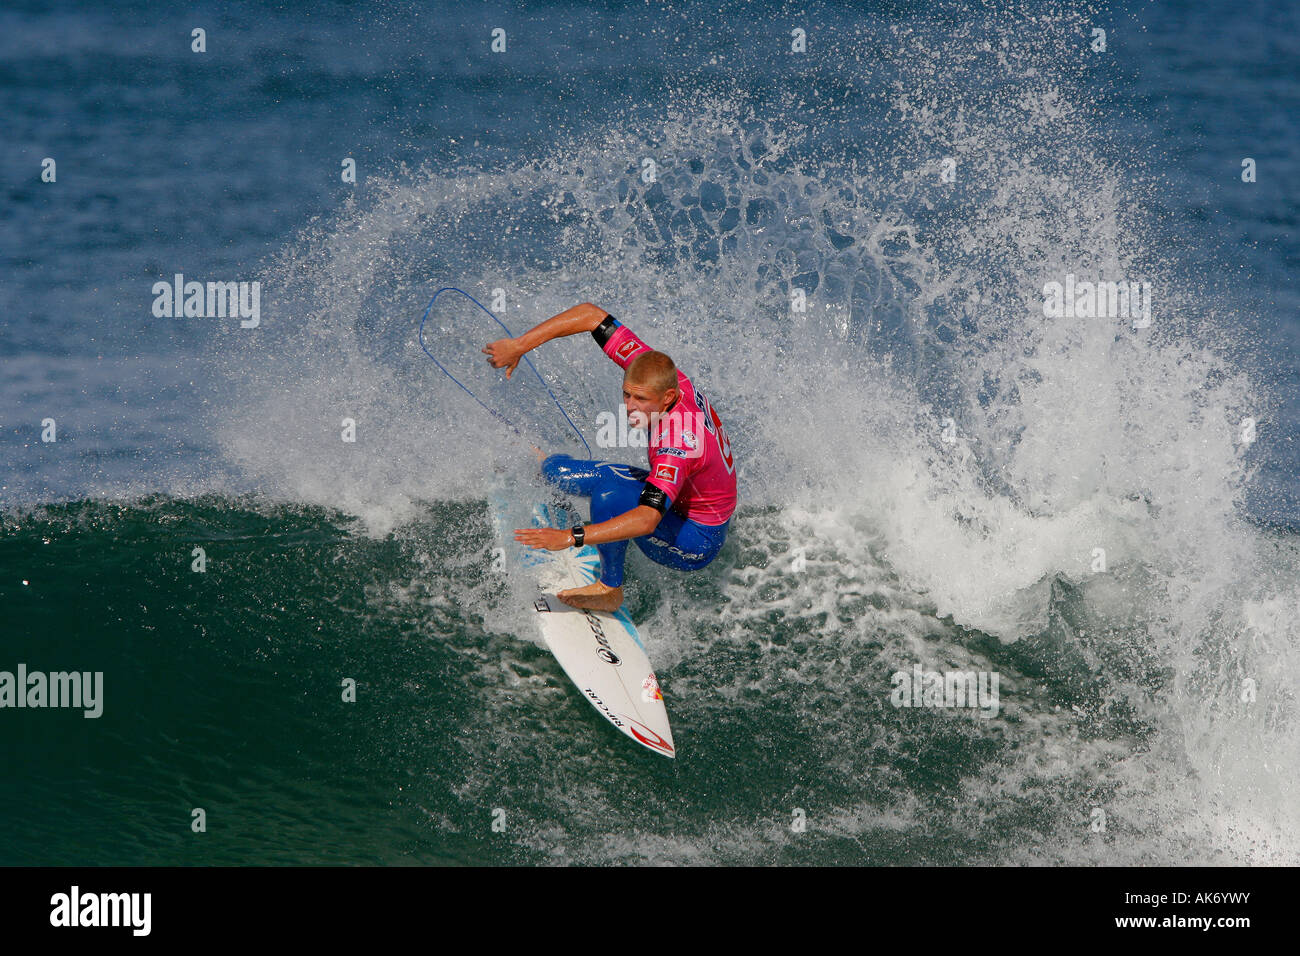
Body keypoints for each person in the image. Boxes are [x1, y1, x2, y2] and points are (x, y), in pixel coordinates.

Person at [482, 302, 737, 612]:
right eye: (627, 394)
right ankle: (541, 463)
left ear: (668, 398)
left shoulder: (679, 443)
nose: (630, 406)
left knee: (610, 492)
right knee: (557, 471)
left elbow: (647, 519)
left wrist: (570, 537)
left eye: (641, 400)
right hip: (681, 504)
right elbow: (591, 315)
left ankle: (609, 588)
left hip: (695, 541)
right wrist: (520, 345)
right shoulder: (660, 375)